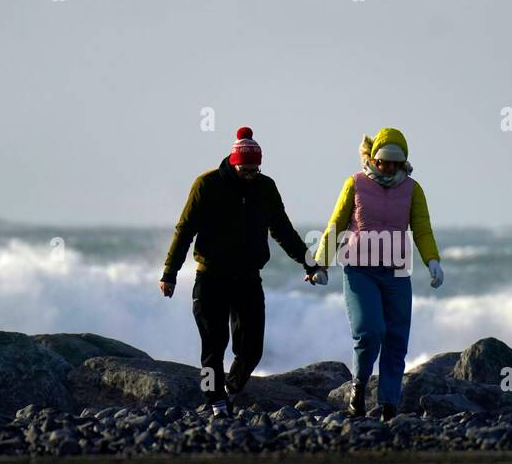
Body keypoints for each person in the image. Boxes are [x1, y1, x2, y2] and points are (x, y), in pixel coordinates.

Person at [159, 127, 324, 417]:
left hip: (248, 279)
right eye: (247, 170)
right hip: (211, 278)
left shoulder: (265, 187)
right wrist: (170, 273)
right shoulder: (207, 185)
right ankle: (214, 400)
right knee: (213, 345)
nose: (252, 174)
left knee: (252, 349)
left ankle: (230, 390)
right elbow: (184, 231)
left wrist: (309, 263)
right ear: (234, 164)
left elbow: (283, 230)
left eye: (256, 169)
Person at [314, 127, 443, 422]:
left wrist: (432, 260)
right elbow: (336, 224)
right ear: (374, 159)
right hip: (360, 271)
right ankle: (358, 386)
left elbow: (422, 229)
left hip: (397, 273)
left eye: (393, 162)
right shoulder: (355, 184)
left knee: (396, 339)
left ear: (402, 162)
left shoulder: (413, 189)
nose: (387, 167)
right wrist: (320, 264)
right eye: (383, 161)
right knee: (370, 332)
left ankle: (389, 404)